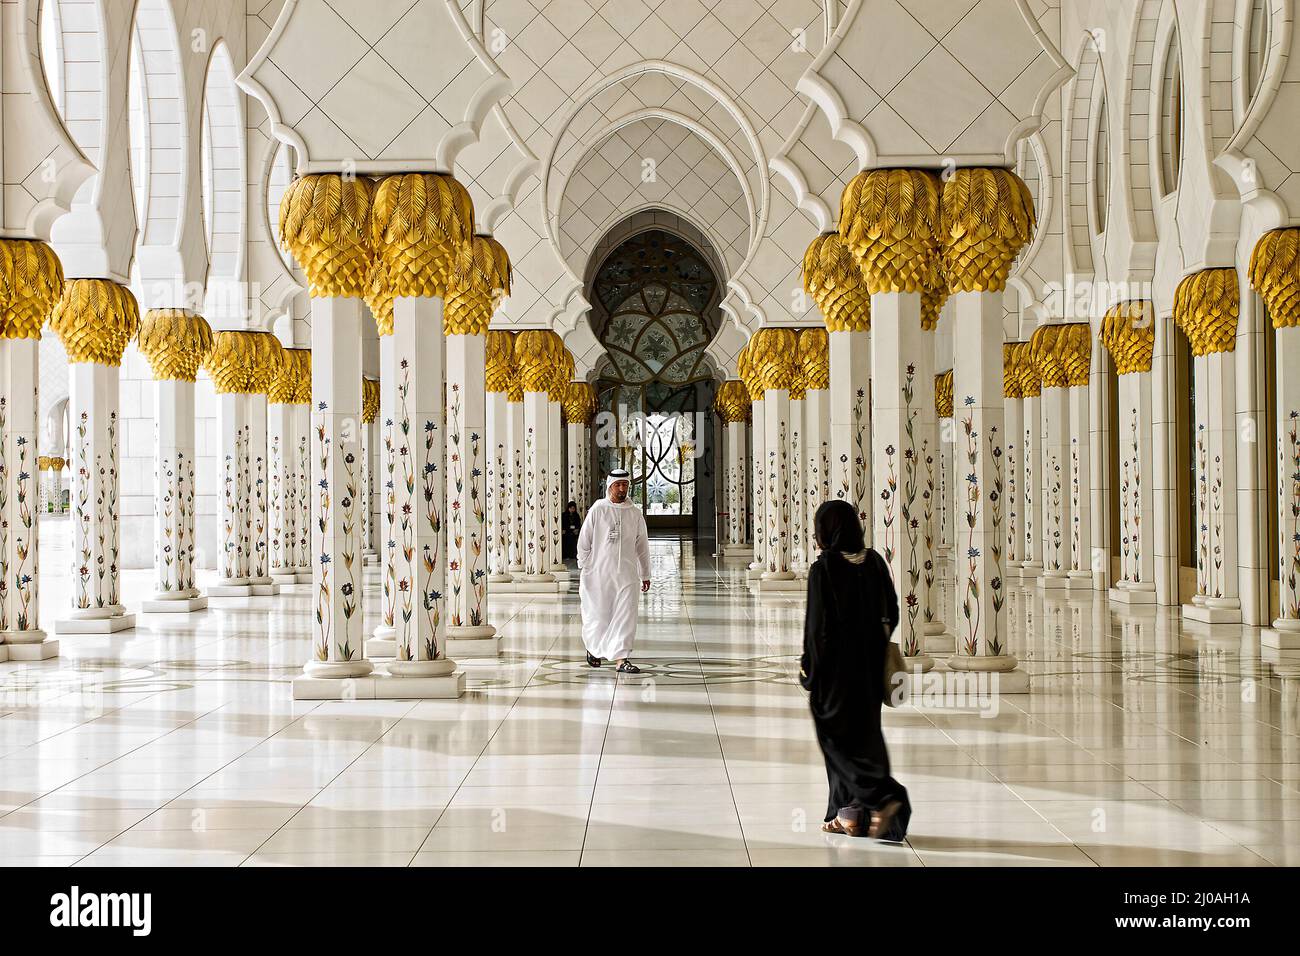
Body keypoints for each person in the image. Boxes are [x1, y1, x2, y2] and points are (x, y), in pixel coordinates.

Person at [800, 499, 911, 842]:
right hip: (869, 670)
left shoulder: (825, 569)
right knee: (865, 739)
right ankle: (846, 816)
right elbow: (891, 611)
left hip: (835, 676)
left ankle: (886, 796)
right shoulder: (874, 561)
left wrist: (811, 673)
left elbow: (817, 630)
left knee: (837, 743)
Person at [577, 469, 650, 673]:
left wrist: (645, 573)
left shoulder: (634, 513)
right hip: (599, 573)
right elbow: (584, 541)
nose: (622, 489)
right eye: (618, 485)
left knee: (625, 615)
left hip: (627, 574)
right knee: (599, 615)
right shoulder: (598, 509)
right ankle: (594, 648)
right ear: (610, 486)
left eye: (625, 485)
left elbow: (642, 545)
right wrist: (586, 566)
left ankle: (621, 658)